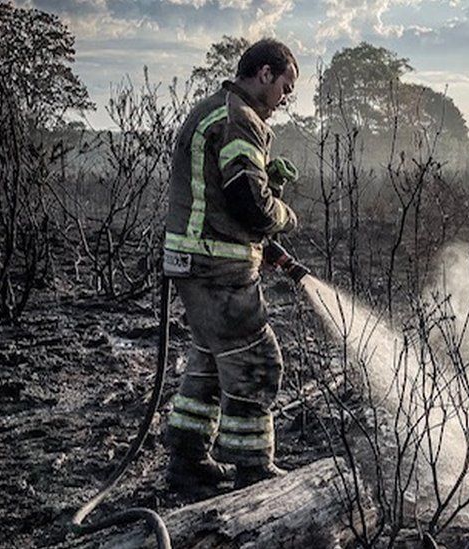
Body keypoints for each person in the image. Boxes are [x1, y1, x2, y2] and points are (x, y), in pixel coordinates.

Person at [161, 38, 300, 494]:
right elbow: (246, 198)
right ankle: (253, 467)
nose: (285, 99)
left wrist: (270, 250)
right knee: (258, 361)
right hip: (216, 268)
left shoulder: (213, 109)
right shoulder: (240, 119)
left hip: (194, 261)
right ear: (264, 73)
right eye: (285, 86)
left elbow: (220, 199)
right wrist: (280, 213)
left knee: (209, 358)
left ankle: (187, 460)